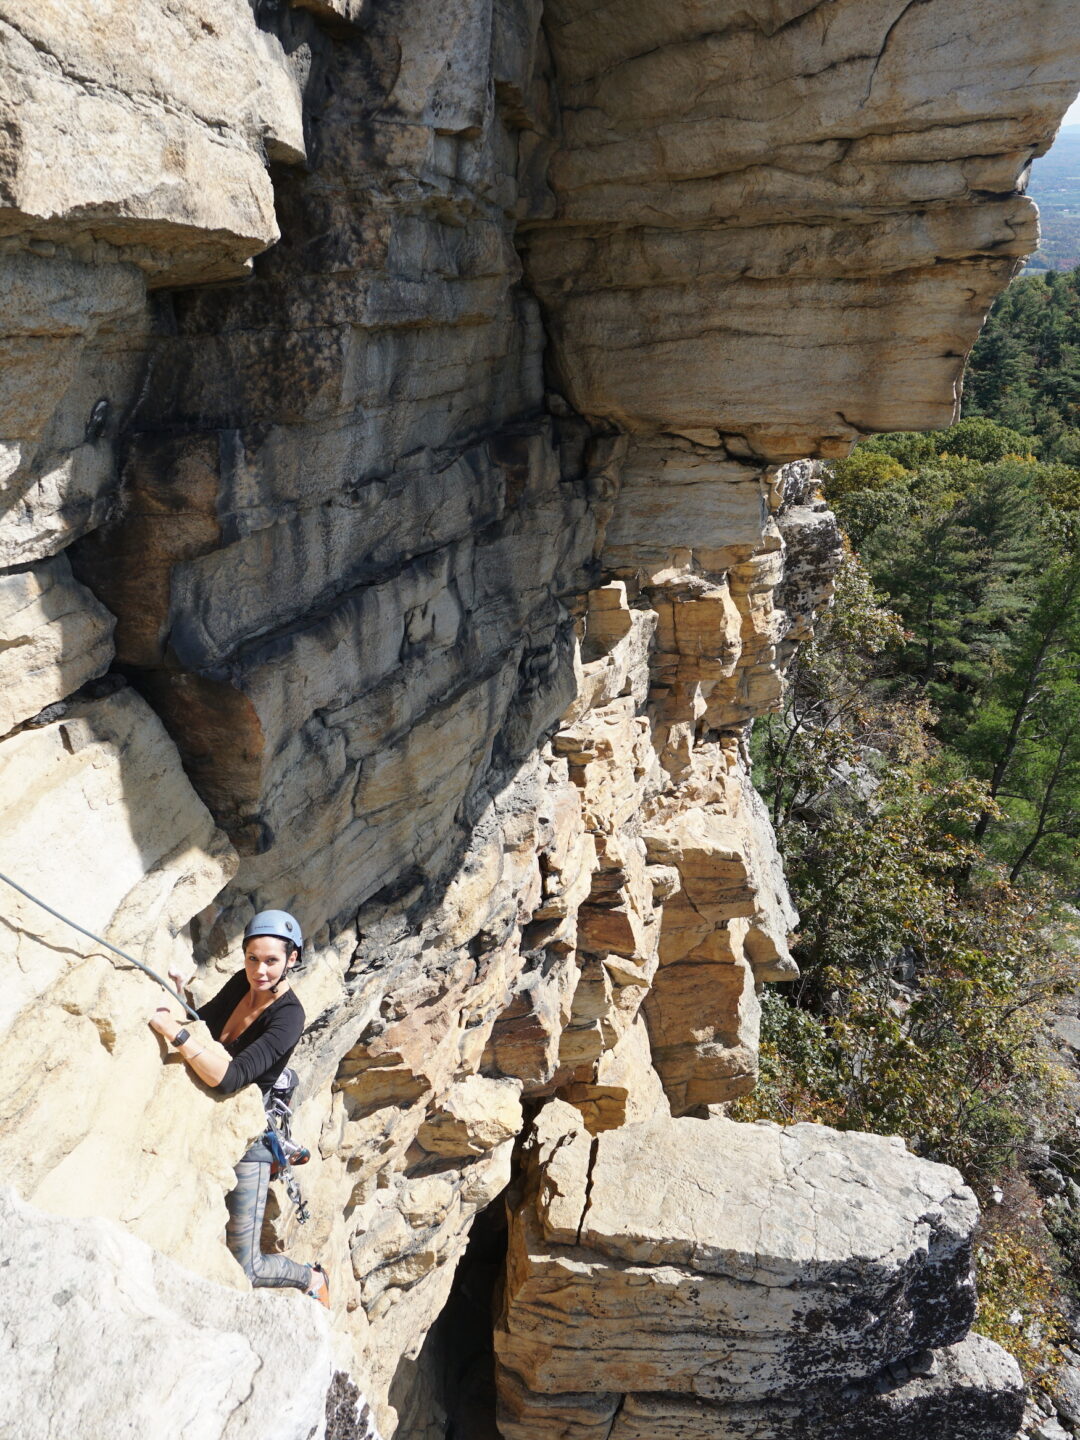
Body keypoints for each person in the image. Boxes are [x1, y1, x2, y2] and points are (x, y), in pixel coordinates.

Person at [149, 908, 329, 1307]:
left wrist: (175, 1033)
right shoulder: (241, 982)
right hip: (221, 1103)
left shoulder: (289, 1016)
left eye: (271, 961)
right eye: (252, 958)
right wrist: (183, 998)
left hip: (251, 1137)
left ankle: (310, 1277)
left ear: (291, 959)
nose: (260, 970)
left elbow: (230, 1078)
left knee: (247, 1264)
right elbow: (209, 1026)